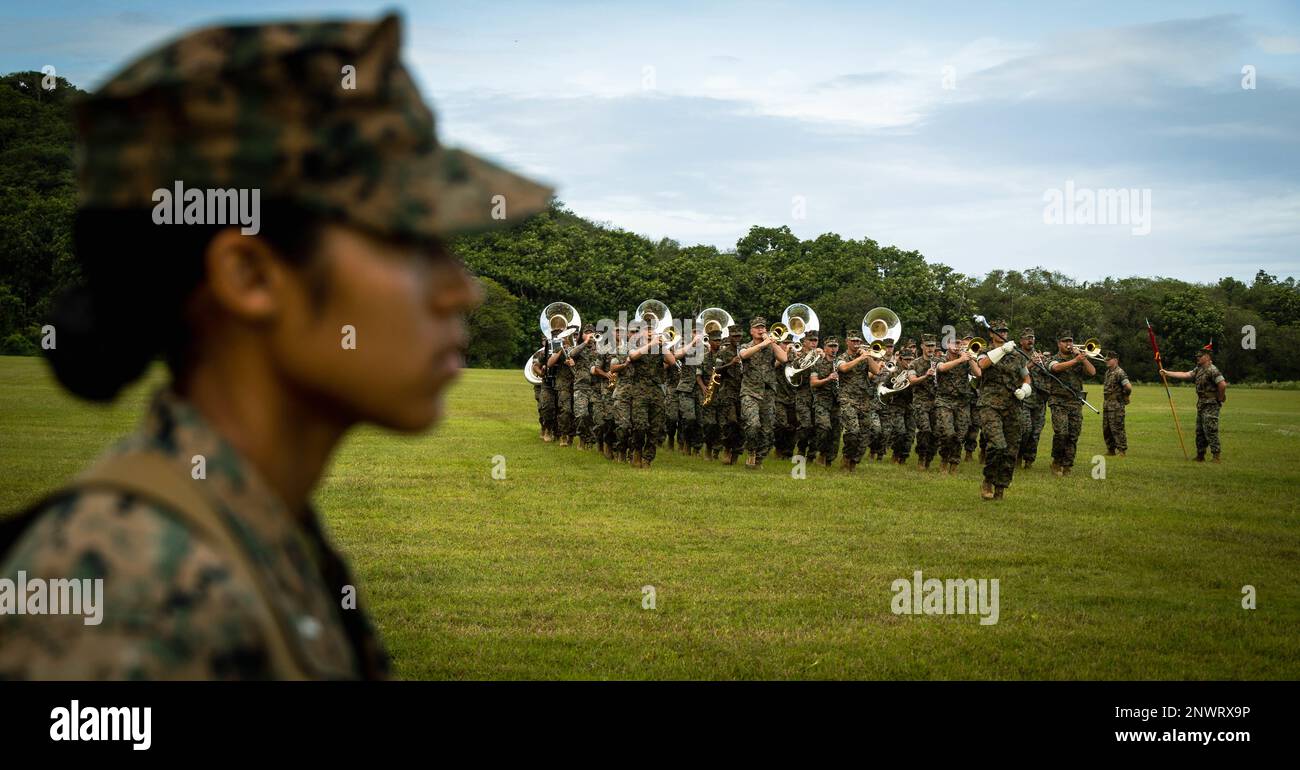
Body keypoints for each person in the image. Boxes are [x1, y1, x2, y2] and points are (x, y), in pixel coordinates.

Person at [0, 14, 550, 680]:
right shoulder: (134, 609)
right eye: (408, 240)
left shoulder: (254, 531)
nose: (463, 291)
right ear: (250, 276)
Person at [974, 320, 1032, 500]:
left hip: (1012, 406)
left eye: (1005, 331)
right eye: (999, 331)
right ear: (991, 334)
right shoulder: (984, 351)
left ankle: (1001, 488)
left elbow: (1027, 378)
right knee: (997, 445)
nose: (1003, 334)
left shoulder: (1017, 355)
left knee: (1011, 449)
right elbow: (982, 366)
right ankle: (988, 481)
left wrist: (1025, 390)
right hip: (990, 404)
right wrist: (1002, 350)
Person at [1161, 343, 1227, 462]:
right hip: (1201, 403)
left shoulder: (1213, 370)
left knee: (1210, 429)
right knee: (1200, 430)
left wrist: (1220, 398)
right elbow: (1186, 374)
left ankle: (1216, 456)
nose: (1198, 358)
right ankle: (1200, 455)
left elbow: (1222, 384)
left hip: (1211, 404)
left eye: (1200, 356)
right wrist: (1167, 373)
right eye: (1197, 356)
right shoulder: (1199, 369)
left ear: (1207, 357)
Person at [626, 315, 677, 469]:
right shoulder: (634, 344)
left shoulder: (659, 346)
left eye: (652, 330)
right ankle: (636, 451)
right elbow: (633, 356)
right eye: (646, 330)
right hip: (639, 392)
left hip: (656, 391)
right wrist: (650, 344)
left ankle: (647, 458)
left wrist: (661, 345)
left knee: (655, 428)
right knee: (640, 425)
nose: (649, 333)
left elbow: (672, 361)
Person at [738, 316, 788, 469]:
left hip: (768, 393)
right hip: (750, 391)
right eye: (758, 328)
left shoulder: (770, 346)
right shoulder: (745, 346)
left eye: (763, 327)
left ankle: (758, 460)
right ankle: (751, 451)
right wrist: (762, 344)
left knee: (767, 430)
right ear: (751, 331)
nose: (761, 330)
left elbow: (784, 358)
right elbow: (743, 355)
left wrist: (771, 343)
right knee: (753, 425)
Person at [1047, 329, 1095, 476]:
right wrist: (1075, 360)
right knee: (1061, 433)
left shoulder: (1079, 358)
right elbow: (1055, 368)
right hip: (1058, 401)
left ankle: (1067, 465)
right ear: (1058, 343)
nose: (1068, 344)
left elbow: (1092, 372)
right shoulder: (1054, 358)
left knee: (1073, 435)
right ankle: (1056, 461)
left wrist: (1084, 359)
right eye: (1065, 341)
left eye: (1070, 341)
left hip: (1075, 401)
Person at [934, 339, 981, 474]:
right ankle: (944, 459)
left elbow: (978, 373)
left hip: (962, 402)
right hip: (944, 401)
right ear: (948, 345)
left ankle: (954, 463)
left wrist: (970, 358)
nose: (956, 346)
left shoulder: (966, 359)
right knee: (948, 433)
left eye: (959, 343)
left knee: (960, 435)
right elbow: (942, 368)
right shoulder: (940, 358)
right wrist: (960, 360)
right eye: (954, 343)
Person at [835, 332, 879, 471]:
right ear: (847, 341)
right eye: (853, 341)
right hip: (847, 398)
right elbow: (843, 368)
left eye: (858, 341)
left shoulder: (866, 356)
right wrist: (860, 358)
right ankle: (846, 457)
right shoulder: (842, 357)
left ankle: (854, 461)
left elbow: (876, 371)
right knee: (853, 431)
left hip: (864, 399)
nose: (856, 343)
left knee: (866, 433)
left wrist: (869, 357)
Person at [1017, 328, 1049, 469]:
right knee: (1025, 429)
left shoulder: (1038, 354)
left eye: (1033, 338)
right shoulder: (1016, 355)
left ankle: (1029, 460)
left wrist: (1044, 363)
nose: (1031, 340)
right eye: (1027, 338)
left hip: (1039, 399)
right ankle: (1017, 455)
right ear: (1021, 341)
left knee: (1036, 432)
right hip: (1023, 398)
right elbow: (1015, 374)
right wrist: (1030, 364)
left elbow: (1049, 374)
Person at [908, 334, 940, 470]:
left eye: (932, 346)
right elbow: (912, 380)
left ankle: (929, 458)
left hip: (937, 402)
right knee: (925, 430)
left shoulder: (940, 361)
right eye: (927, 346)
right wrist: (926, 376)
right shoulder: (914, 363)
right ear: (922, 346)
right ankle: (921, 457)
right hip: (920, 402)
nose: (930, 348)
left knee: (936, 433)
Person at [810, 336, 842, 466]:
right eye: (830, 346)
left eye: (835, 346)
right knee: (824, 428)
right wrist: (828, 379)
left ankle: (829, 459)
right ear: (825, 348)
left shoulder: (841, 363)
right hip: (822, 401)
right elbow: (813, 382)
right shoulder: (818, 363)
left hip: (837, 402)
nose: (833, 349)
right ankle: (821, 453)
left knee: (835, 432)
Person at [1101, 350, 1133, 456]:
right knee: (1107, 428)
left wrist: (1125, 395)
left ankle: (1122, 450)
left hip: (1116, 404)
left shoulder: (1120, 372)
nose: (1107, 361)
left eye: (1109, 360)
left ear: (1115, 360)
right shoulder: (1108, 372)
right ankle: (1110, 449)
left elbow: (1128, 387)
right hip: (1107, 403)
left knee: (1117, 427)